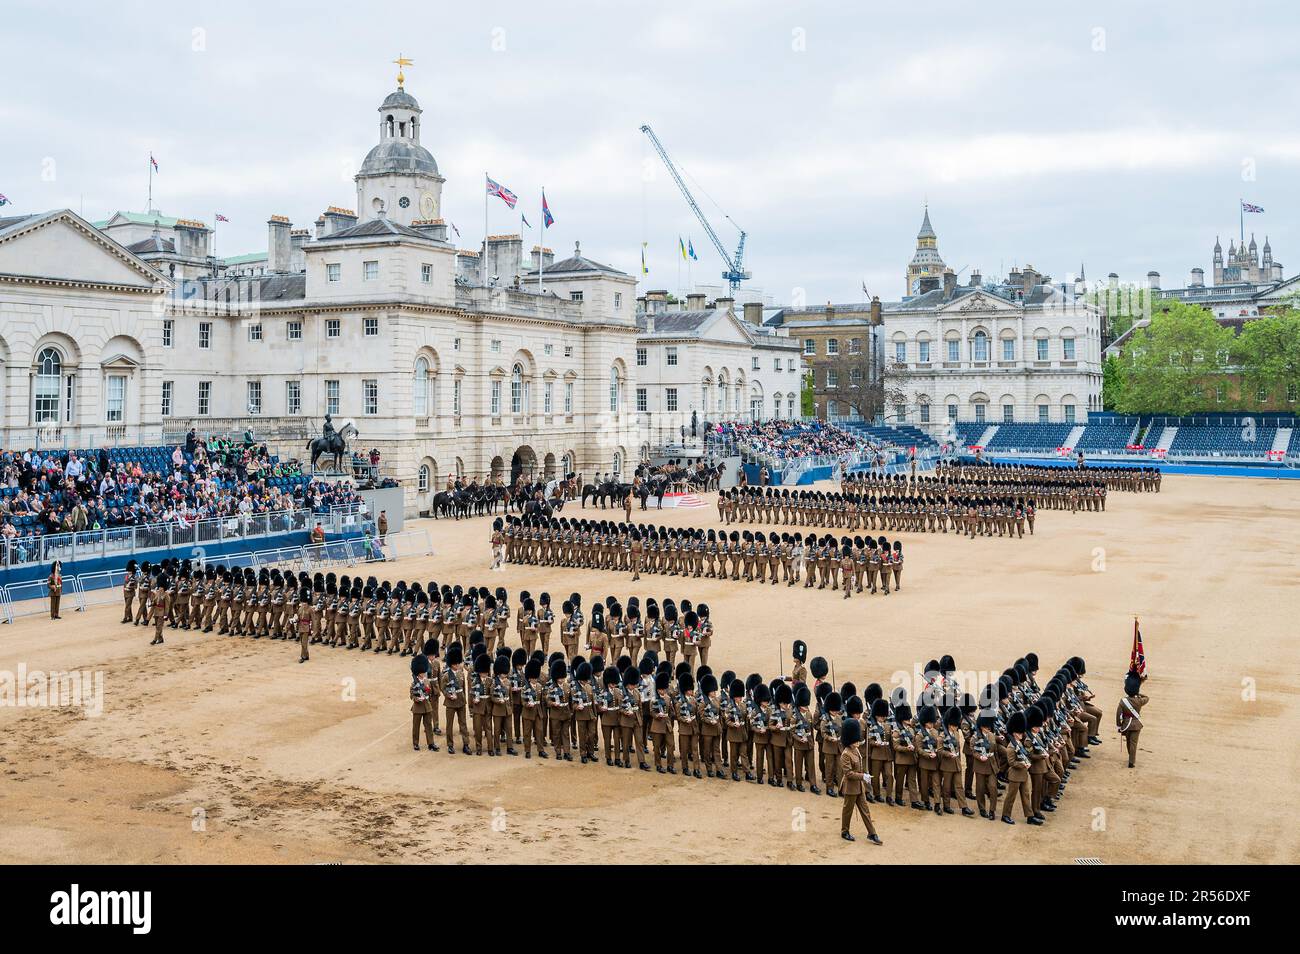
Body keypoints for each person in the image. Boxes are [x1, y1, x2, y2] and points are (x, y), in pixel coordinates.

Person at [837, 717, 882, 844]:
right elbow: (849, 773)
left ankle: (872, 833)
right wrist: (863, 776)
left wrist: (864, 775)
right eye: (855, 740)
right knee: (848, 811)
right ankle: (844, 831)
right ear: (849, 740)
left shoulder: (855, 749)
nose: (858, 742)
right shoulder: (845, 754)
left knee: (865, 810)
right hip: (850, 787)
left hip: (859, 787)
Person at [1116, 669, 1149, 769]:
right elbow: (1147, 697)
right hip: (1136, 724)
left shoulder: (1123, 701)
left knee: (1129, 742)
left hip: (1126, 724)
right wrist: (1138, 693)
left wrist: (1119, 725)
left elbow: (1118, 714)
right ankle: (1131, 761)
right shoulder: (1139, 701)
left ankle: (1131, 756)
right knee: (1134, 743)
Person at [411, 654, 439, 751]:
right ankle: (415, 743)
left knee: (428, 725)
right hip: (418, 707)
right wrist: (416, 699)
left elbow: (430, 692)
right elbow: (412, 695)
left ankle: (431, 743)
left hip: (427, 705)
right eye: (422, 673)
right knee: (416, 726)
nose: (424, 674)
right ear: (418, 673)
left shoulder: (427, 681)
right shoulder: (414, 683)